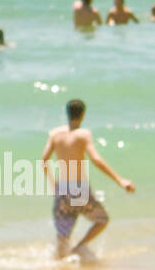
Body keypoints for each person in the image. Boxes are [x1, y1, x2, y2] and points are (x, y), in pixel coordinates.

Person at [40, 99, 135, 261]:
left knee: (62, 238)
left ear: (67, 113)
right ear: (83, 115)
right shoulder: (83, 135)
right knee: (102, 220)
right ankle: (78, 248)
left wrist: (53, 183)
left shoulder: (55, 135)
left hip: (62, 190)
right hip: (78, 189)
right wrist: (120, 180)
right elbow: (96, 160)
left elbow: (43, 160)